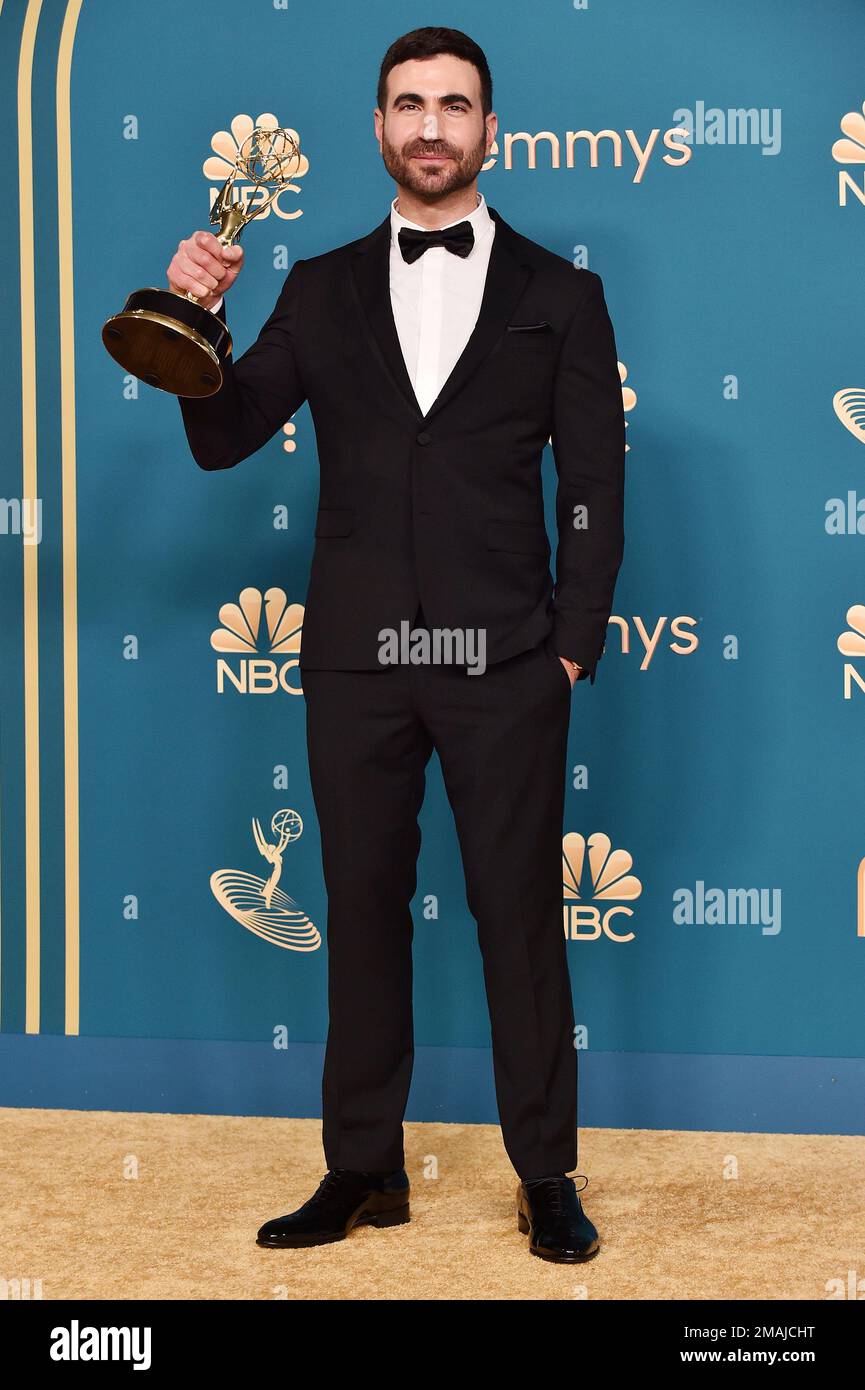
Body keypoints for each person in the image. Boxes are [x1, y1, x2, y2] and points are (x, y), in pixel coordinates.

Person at [169, 26, 625, 1263]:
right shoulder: (314, 288)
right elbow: (226, 436)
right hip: (357, 665)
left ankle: (546, 1175)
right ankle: (364, 1169)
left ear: (491, 131)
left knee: (520, 919)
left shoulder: (560, 294)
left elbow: (593, 480)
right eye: (409, 105)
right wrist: (191, 322)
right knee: (360, 913)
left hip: (508, 668)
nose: (431, 126)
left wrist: (569, 645)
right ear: (377, 128)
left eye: (454, 106)